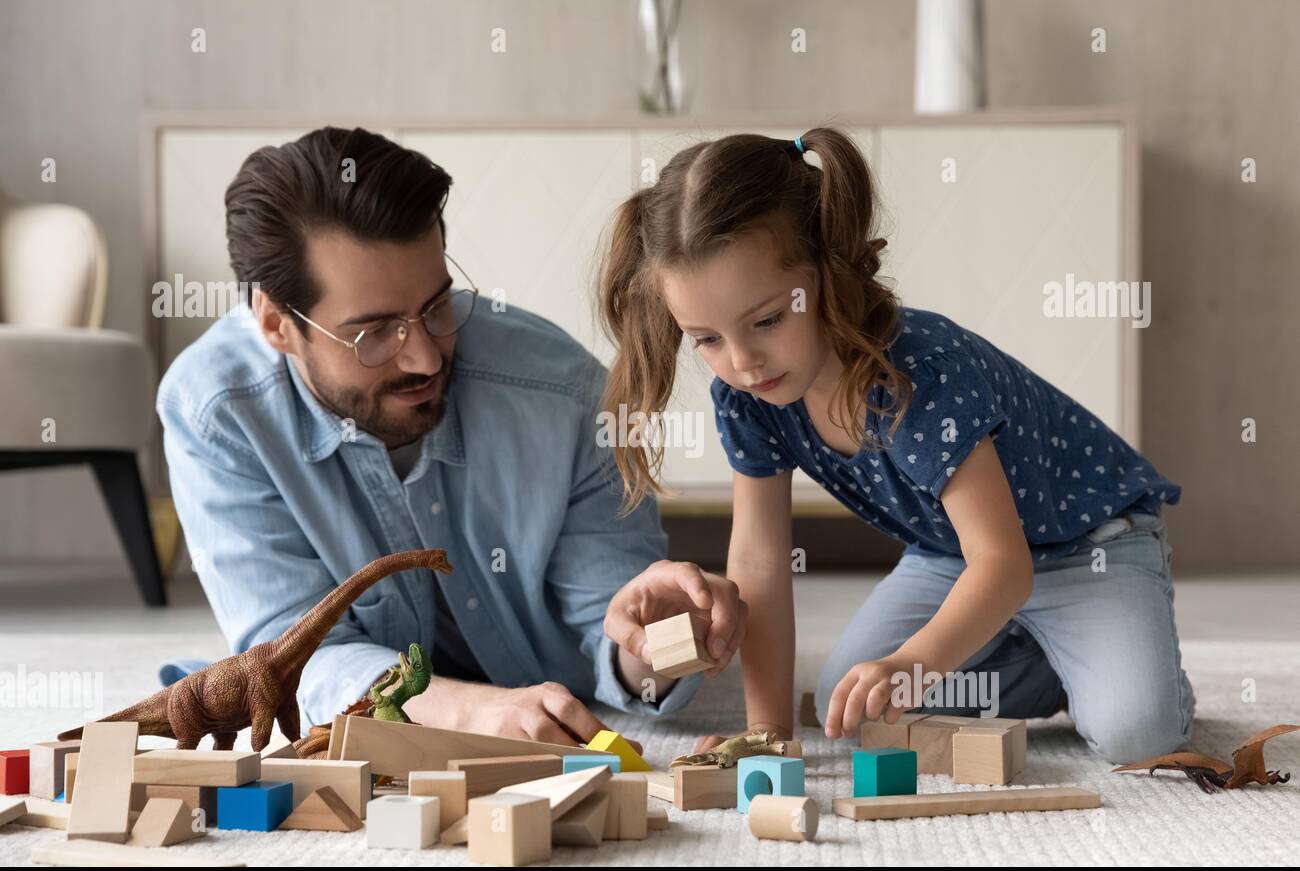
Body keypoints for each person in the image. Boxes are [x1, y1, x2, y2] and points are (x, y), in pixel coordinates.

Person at [593, 126, 1194, 764]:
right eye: (708, 339)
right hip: (951, 556)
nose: (743, 361)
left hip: (1089, 546)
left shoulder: (921, 374)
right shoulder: (748, 398)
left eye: (768, 320)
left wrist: (914, 663)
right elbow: (761, 562)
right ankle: (1052, 663)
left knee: (1138, 734)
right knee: (853, 709)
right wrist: (768, 733)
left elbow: (1004, 563)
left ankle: (1109, 667)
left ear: (827, 270)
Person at [157, 126, 746, 747]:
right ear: (278, 324)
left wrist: (667, 642)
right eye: (374, 332)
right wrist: (468, 712)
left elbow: (614, 638)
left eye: (437, 306)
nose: (426, 358)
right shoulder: (216, 413)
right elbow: (286, 659)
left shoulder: (565, 394)